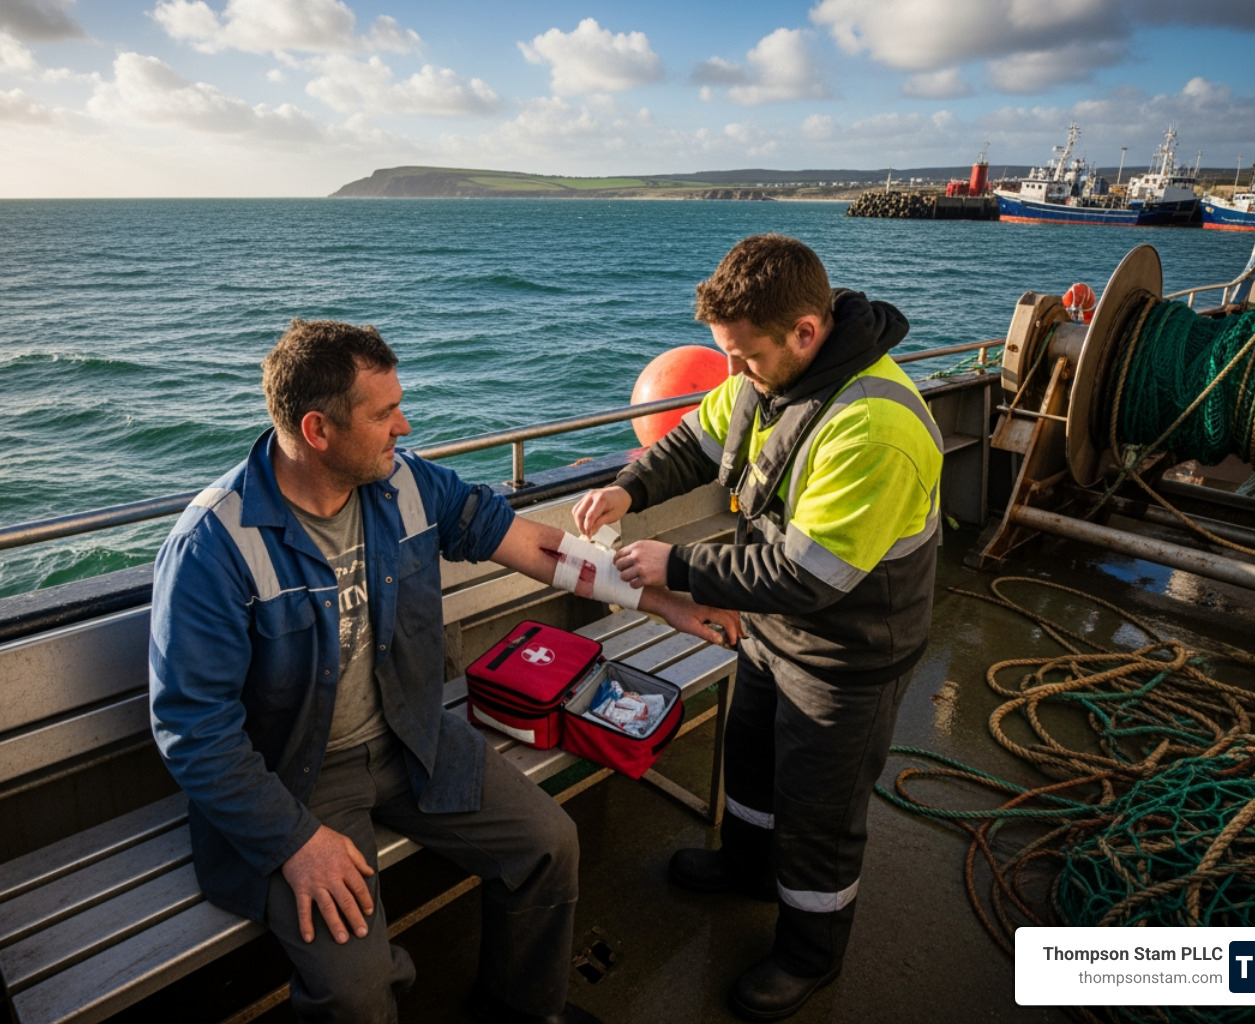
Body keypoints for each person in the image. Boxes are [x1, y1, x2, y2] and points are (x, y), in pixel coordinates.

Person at [149, 319, 738, 1024]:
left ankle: (519, 1010)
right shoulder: (214, 545)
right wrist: (295, 841)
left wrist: (662, 601)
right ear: (317, 430)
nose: (404, 424)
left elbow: (540, 547)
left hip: (412, 739)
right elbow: (194, 730)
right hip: (294, 781)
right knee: (353, 991)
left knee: (549, 846)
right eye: (382, 413)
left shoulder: (406, 483)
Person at [573, 234, 943, 1021]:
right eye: (725, 355)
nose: (732, 371)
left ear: (806, 332)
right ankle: (745, 868)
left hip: (848, 655)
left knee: (820, 815)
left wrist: (672, 568)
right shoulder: (760, 378)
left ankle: (810, 954)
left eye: (743, 356)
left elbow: (807, 576)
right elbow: (695, 441)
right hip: (772, 635)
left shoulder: (875, 426)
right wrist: (625, 489)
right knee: (748, 763)